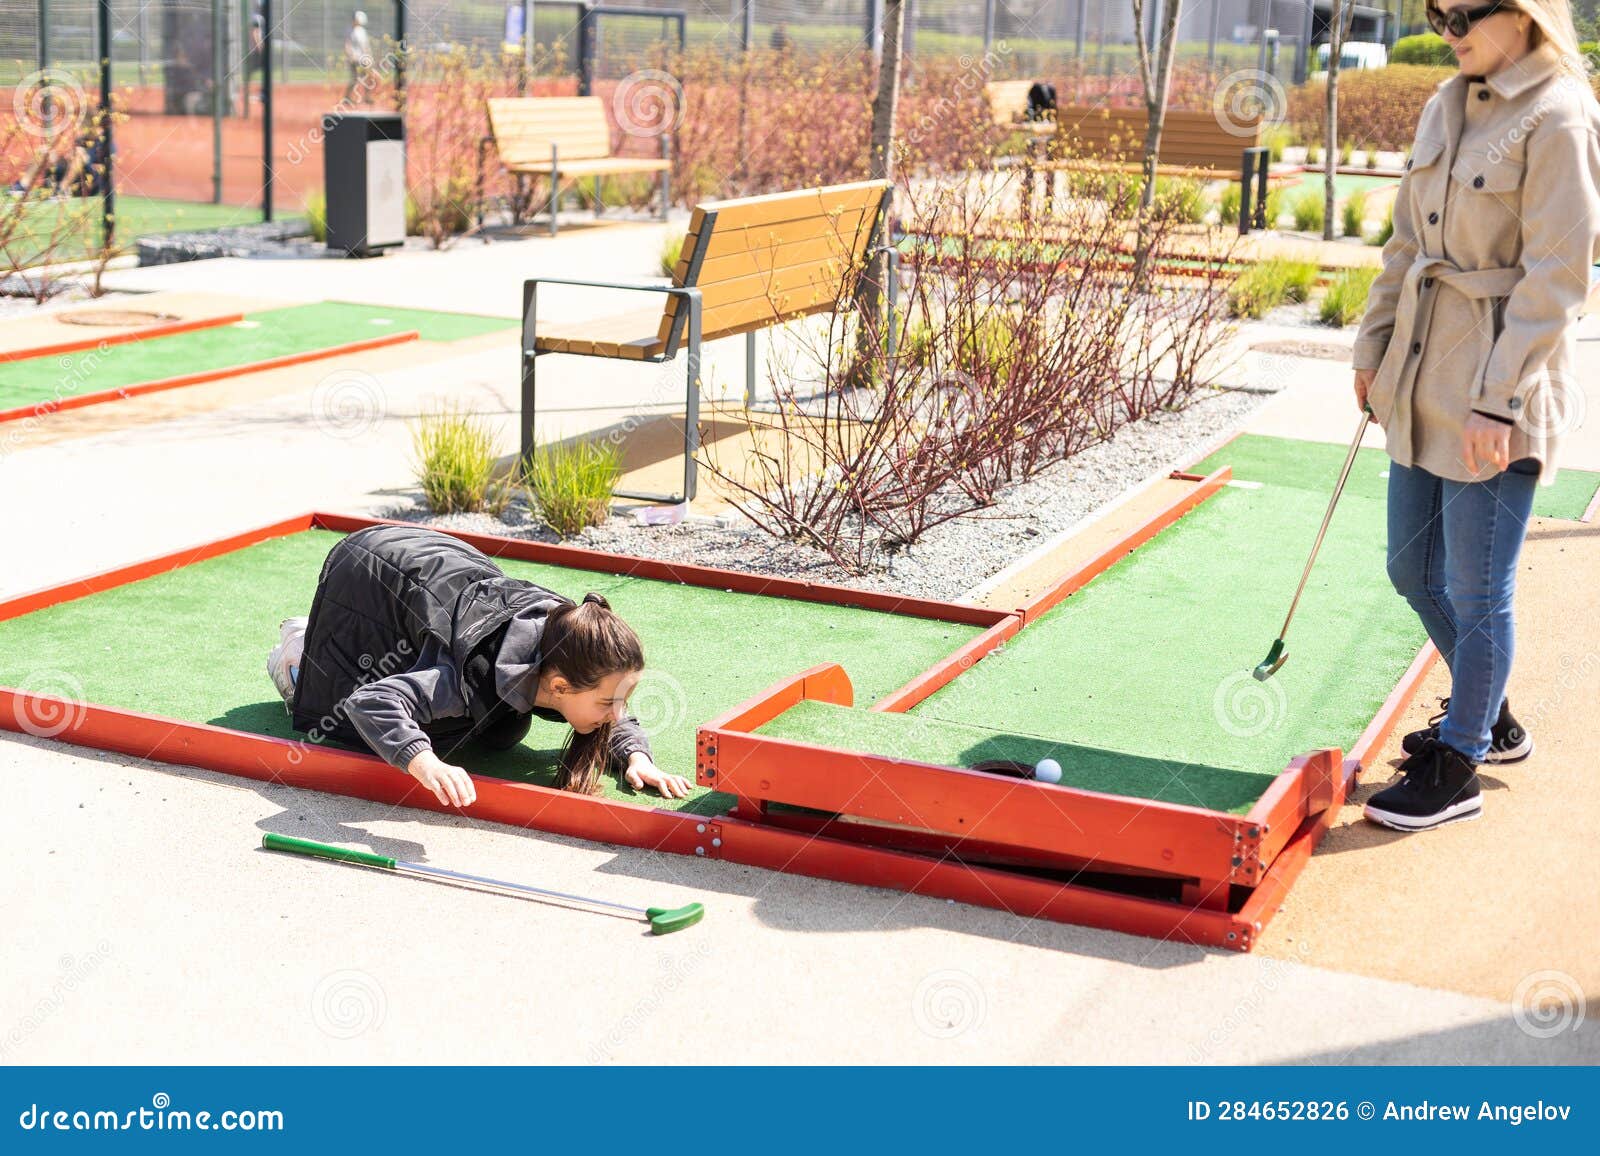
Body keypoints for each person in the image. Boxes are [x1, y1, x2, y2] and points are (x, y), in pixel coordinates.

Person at [1352, 0, 1600, 832]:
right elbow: (1402, 249)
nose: (1450, 28)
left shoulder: (1559, 114)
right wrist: (1372, 347)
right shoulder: (1445, 102)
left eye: (1465, 14)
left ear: (1524, 14)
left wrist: (1501, 401)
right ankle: (1491, 719)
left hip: (1502, 387)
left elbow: (1557, 280)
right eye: (1437, 12)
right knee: (1410, 572)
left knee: (1477, 587)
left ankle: (1458, 765)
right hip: (1422, 373)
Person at [267, 525, 692, 807]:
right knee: (354, 720)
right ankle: (300, 651)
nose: (618, 714)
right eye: (607, 704)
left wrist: (636, 756)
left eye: (623, 701)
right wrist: (424, 762)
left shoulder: (570, 640)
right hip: (367, 573)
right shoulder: (465, 674)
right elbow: (373, 701)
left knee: (502, 728)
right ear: (559, 686)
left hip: (437, 564)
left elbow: (604, 697)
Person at [343, 10, 374, 105]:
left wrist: (369, 56)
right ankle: (347, 98)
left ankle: (367, 97)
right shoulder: (349, 30)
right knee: (354, 79)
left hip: (363, 58)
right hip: (354, 59)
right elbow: (347, 44)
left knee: (369, 77)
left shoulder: (362, 31)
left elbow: (365, 45)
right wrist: (350, 55)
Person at [243, 2, 265, 119]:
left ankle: (256, 92)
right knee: (251, 73)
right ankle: (251, 94)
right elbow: (255, 32)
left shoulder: (255, 16)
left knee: (250, 74)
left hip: (252, 50)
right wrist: (260, 47)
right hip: (254, 50)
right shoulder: (256, 17)